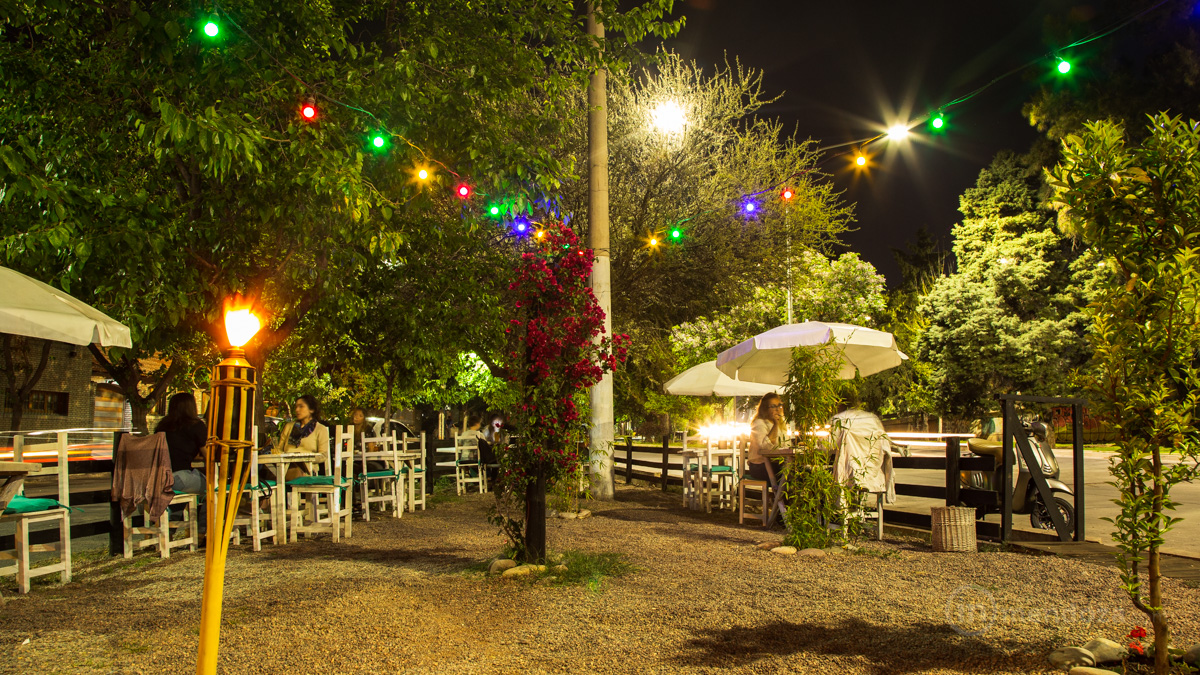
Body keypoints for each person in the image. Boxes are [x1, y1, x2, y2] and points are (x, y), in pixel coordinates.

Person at [155, 392, 208, 494]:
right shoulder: (196, 425)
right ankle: (202, 510)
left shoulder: (161, 426)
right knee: (213, 486)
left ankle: (179, 509)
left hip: (158, 479)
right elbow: (209, 456)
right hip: (180, 478)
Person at [277, 395, 330, 481]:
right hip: (285, 465)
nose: (297, 410)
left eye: (301, 406)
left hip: (307, 468)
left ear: (311, 410)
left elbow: (323, 455)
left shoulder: (320, 429)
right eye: (296, 407)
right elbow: (279, 449)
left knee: (296, 472)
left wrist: (304, 459)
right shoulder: (289, 426)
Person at [748, 393, 787, 484]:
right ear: (765, 409)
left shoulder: (782, 424)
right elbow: (764, 448)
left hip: (777, 463)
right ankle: (779, 497)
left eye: (779, 405)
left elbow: (786, 444)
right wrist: (775, 425)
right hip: (760, 466)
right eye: (773, 406)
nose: (777, 409)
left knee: (802, 472)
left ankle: (778, 497)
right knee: (788, 475)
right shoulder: (759, 423)